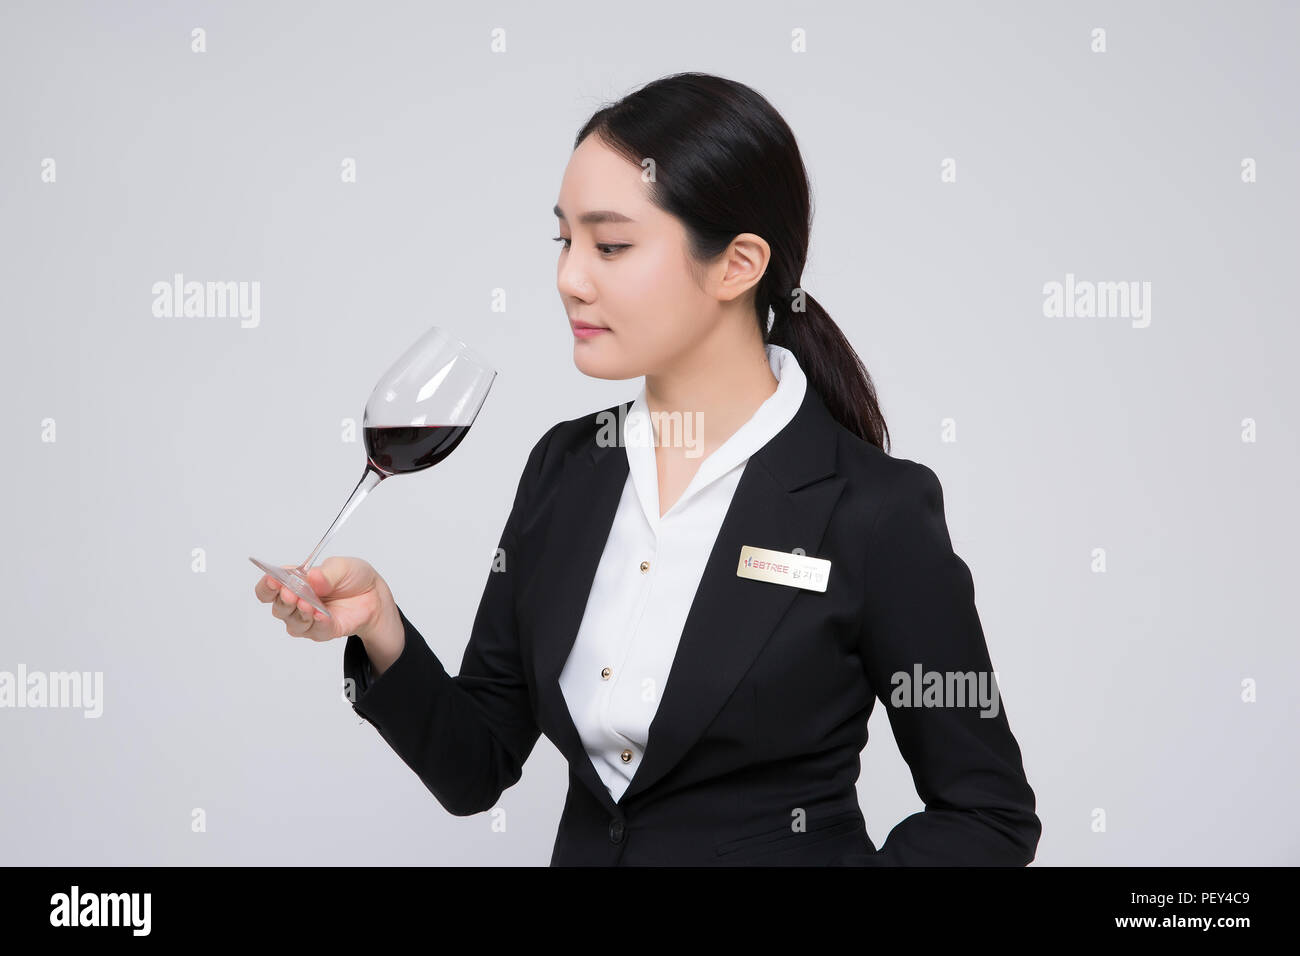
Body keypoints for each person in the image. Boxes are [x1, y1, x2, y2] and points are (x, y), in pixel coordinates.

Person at [254, 72, 1041, 866]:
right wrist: (381, 630)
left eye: (612, 245)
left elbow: (988, 818)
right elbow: (475, 768)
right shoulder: (565, 469)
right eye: (564, 240)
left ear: (737, 265)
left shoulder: (874, 512)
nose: (569, 277)